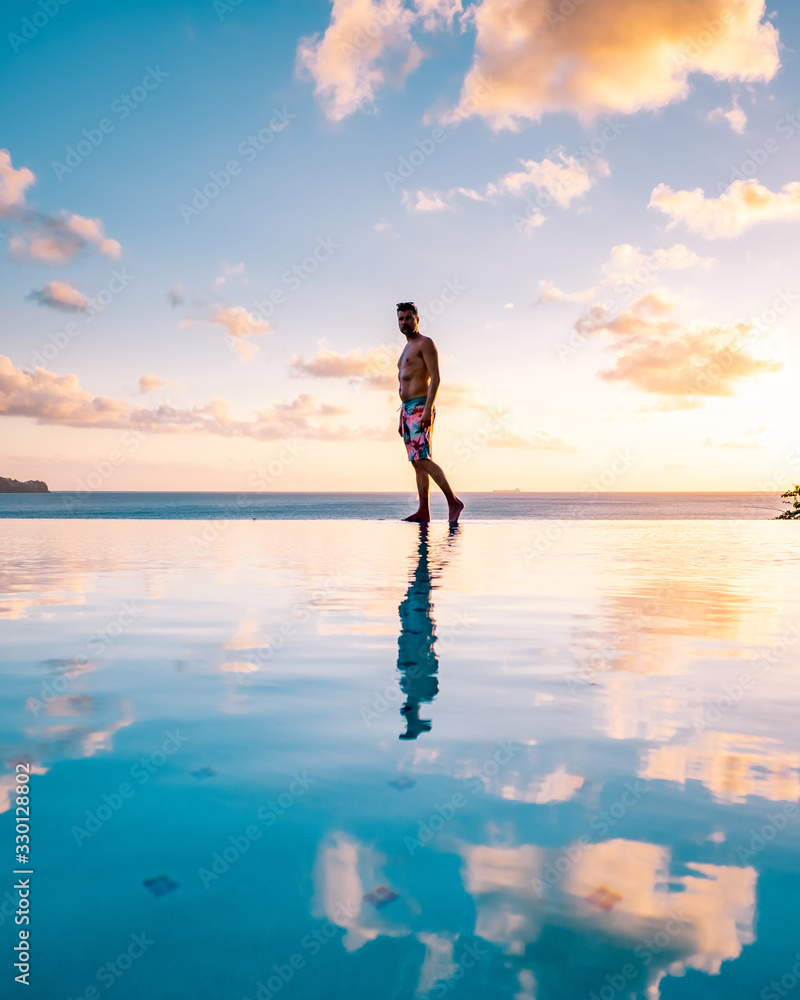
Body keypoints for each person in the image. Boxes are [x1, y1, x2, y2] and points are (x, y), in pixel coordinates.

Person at [396, 301, 464, 523]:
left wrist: (427, 410)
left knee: (422, 458)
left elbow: (435, 378)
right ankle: (423, 510)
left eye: (408, 317)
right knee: (416, 461)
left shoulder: (425, 343)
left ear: (417, 319)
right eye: (401, 318)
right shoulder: (406, 349)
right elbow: (403, 384)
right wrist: (401, 417)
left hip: (420, 406)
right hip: (407, 410)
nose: (404, 322)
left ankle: (453, 501)